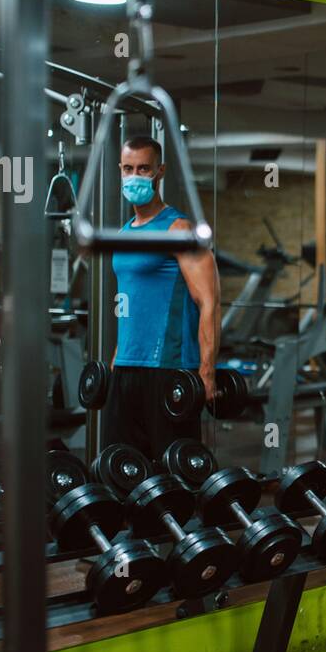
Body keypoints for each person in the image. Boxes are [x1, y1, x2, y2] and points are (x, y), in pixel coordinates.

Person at [100, 134, 221, 460]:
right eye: (128, 169)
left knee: (172, 474)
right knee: (119, 470)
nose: (134, 176)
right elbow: (130, 304)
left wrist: (206, 372)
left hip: (167, 367)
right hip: (125, 368)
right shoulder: (124, 232)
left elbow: (208, 301)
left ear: (160, 171)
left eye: (143, 169)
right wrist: (115, 364)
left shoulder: (178, 228)